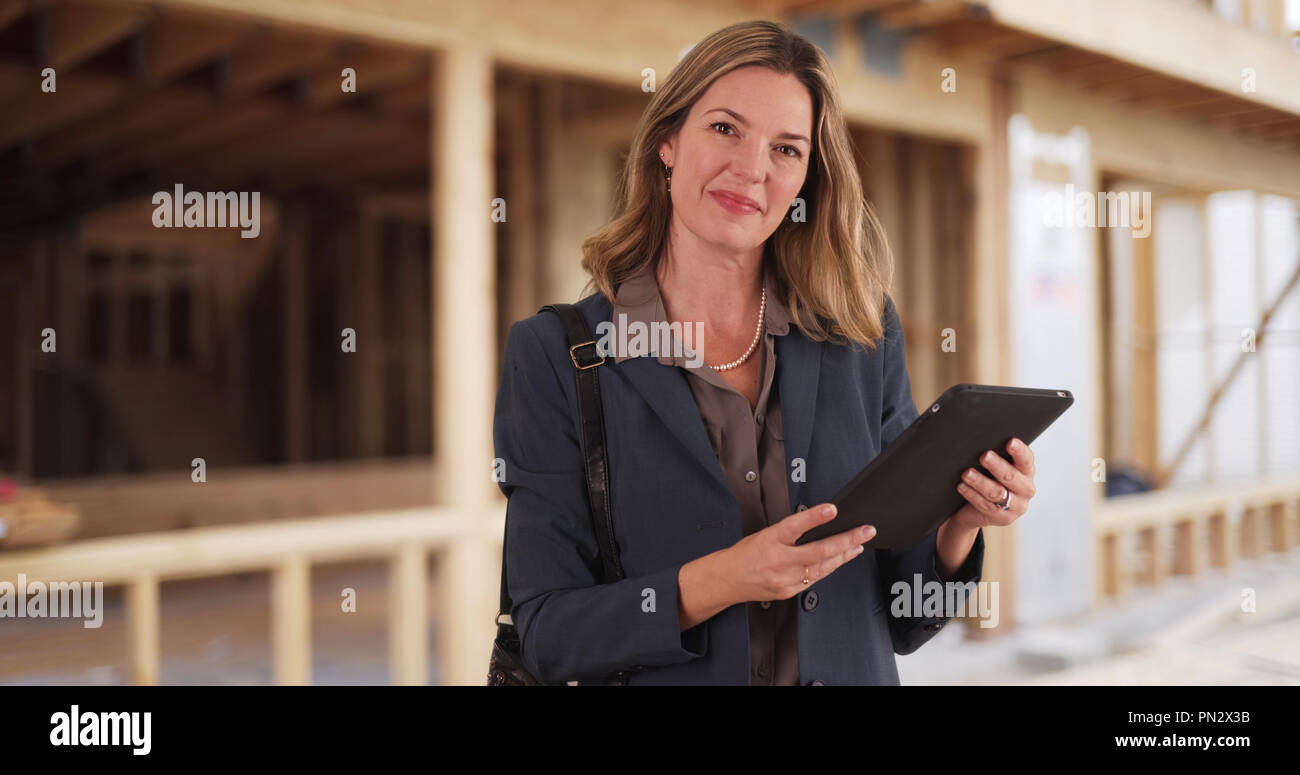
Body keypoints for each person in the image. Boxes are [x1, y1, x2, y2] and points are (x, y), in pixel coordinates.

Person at [492, 19, 1038, 685]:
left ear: (807, 177)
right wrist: (721, 579)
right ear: (667, 141)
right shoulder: (556, 354)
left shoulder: (862, 334)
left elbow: (905, 619)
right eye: (725, 128)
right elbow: (549, 632)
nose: (751, 169)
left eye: (787, 149)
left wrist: (960, 525)